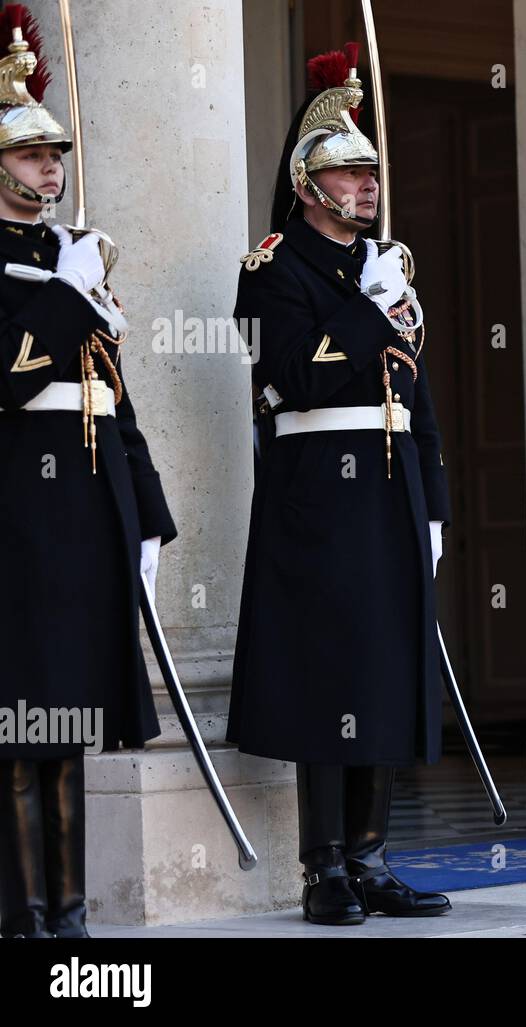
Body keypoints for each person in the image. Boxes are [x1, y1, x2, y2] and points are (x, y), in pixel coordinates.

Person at [228, 43, 452, 925]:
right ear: (309, 183)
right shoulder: (273, 271)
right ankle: (323, 864)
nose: (366, 186)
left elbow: (416, 393)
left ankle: (371, 857)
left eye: (368, 171)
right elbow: (298, 375)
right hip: (317, 485)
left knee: (385, 667)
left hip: (390, 485)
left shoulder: (385, 265)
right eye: (349, 173)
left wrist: (433, 499)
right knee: (328, 674)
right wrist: (365, 305)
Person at [0, 4, 175, 938]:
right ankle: (23, 910)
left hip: (89, 509)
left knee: (71, 724)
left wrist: (147, 515)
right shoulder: (43, 274)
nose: (52, 169)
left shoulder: (72, 262)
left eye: (55, 156)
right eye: (32, 158)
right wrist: (69, 296)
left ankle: (69, 909)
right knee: (21, 722)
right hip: (21, 511)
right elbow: (10, 374)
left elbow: (116, 398)